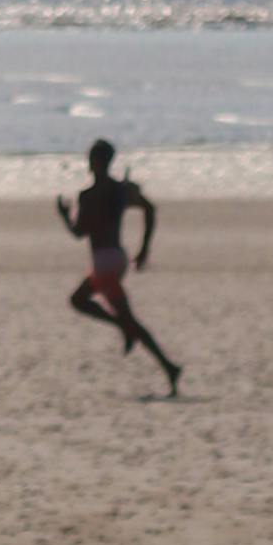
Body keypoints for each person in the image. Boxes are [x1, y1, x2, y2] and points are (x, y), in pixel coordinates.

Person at [57, 137, 182, 391]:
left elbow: (79, 232)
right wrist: (144, 248)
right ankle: (128, 332)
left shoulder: (88, 195)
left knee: (127, 318)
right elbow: (150, 209)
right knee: (79, 300)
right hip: (117, 258)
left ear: (93, 161)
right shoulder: (121, 190)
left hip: (104, 264)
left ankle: (168, 365)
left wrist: (64, 216)